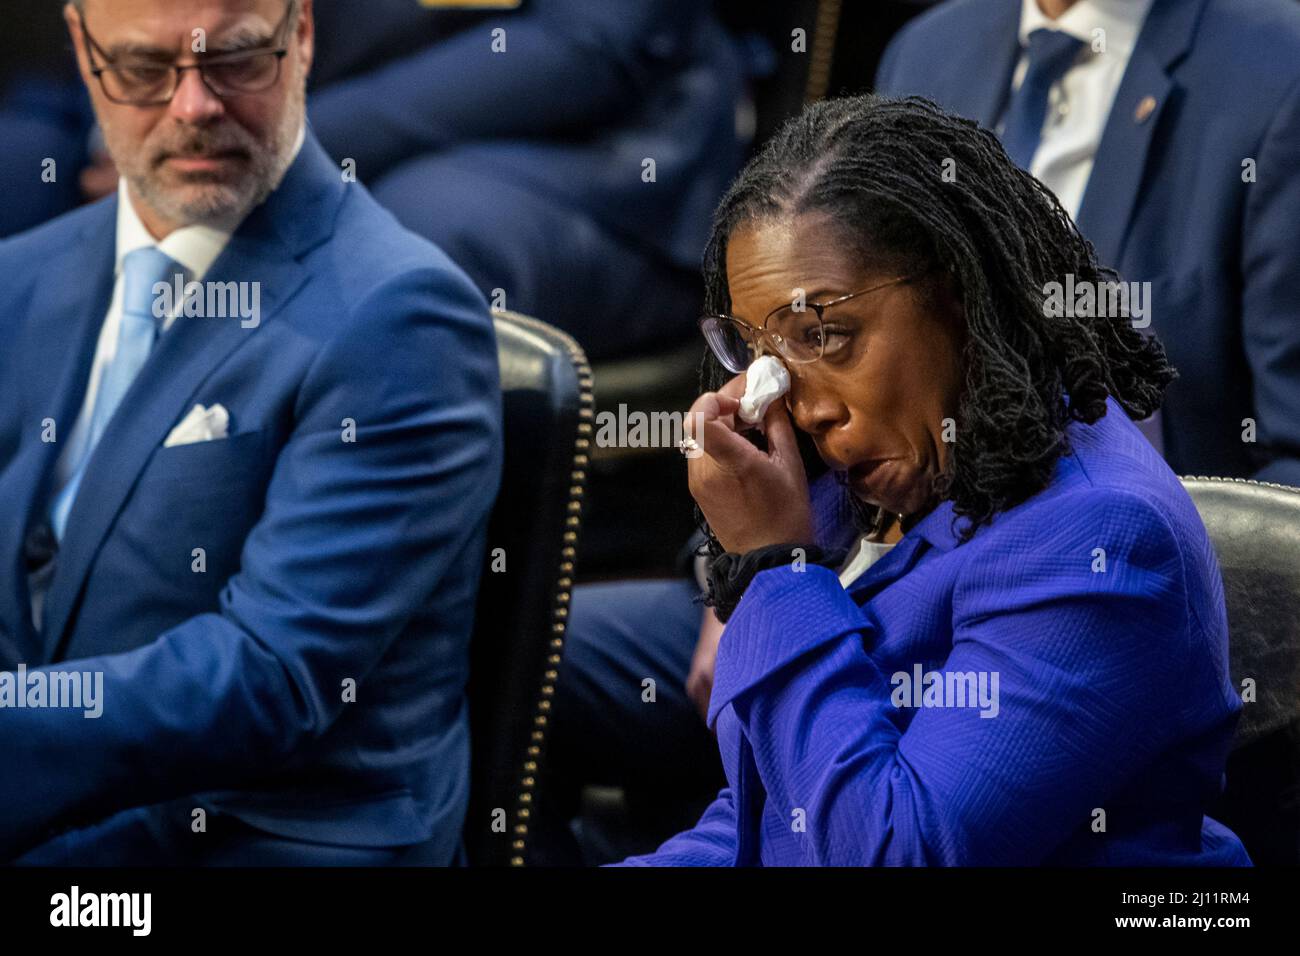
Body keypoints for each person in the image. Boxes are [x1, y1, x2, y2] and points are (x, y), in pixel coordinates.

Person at [544, 0, 1300, 863]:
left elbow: (891, 850)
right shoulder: (890, 497)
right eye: (760, 354)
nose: (799, 403)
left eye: (823, 336)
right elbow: (765, 824)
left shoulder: (1098, 539)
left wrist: (775, 573)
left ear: (958, 296)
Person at [0, 0, 502, 865]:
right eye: (145, 70)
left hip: (262, 835)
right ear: (83, 52)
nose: (195, 107)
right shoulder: (21, 275)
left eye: (236, 60)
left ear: (301, 35)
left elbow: (269, 676)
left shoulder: (402, 313)